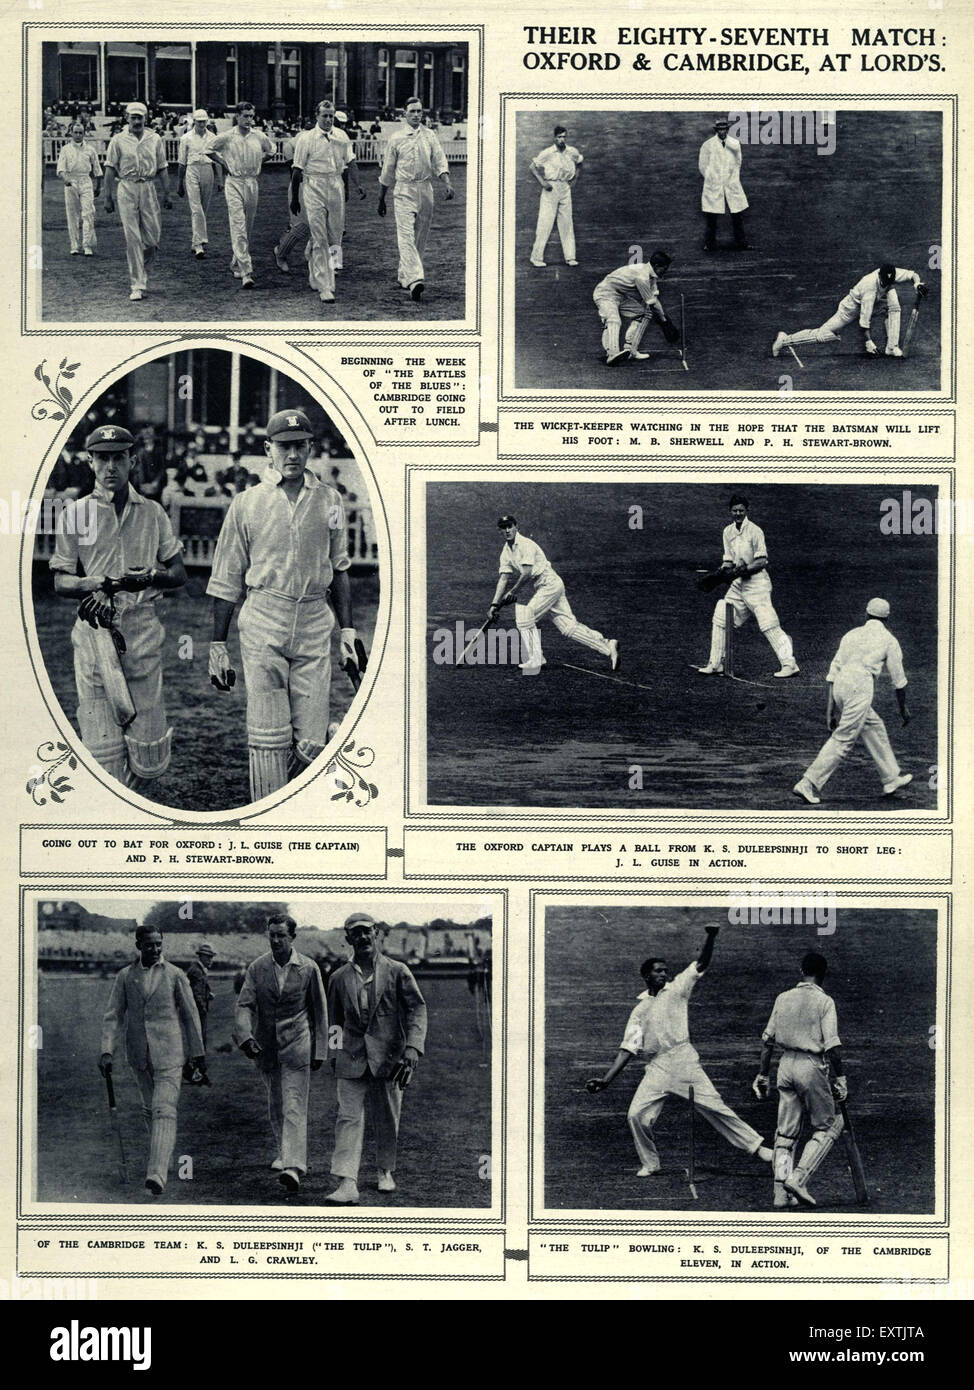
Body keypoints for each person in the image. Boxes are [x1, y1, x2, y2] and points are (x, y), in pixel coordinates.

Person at [206, 409, 362, 802]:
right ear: (268, 450)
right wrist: (216, 646)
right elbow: (226, 577)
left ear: (310, 448)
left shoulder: (330, 500)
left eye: (299, 446)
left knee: (311, 742)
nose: (292, 455)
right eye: (283, 447)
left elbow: (340, 568)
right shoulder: (247, 503)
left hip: (313, 620)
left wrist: (347, 632)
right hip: (263, 620)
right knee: (268, 739)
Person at [49, 424, 187, 794]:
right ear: (91, 462)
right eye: (103, 458)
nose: (111, 466)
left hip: (143, 632)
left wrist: (151, 577)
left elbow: (178, 573)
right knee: (102, 752)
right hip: (95, 633)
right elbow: (61, 581)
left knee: (150, 756)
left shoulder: (153, 512)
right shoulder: (75, 513)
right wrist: (91, 582)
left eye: (119, 458)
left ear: (133, 460)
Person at [586, 927, 773, 1178]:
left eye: (665, 970)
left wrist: (711, 936)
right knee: (635, 1115)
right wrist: (606, 1081)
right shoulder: (639, 1011)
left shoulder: (677, 989)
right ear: (646, 976)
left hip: (684, 1060)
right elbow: (628, 1049)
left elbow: (701, 962)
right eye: (658, 971)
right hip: (658, 1067)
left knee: (714, 1106)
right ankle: (651, 1163)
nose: (664, 974)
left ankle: (758, 1148)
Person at [325, 912, 428, 1204]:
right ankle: (347, 1182)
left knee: (387, 1117)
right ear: (348, 939)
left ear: (377, 934)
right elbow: (334, 1021)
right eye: (355, 933)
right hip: (351, 1056)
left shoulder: (398, 971)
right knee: (347, 1118)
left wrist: (413, 1048)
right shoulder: (338, 978)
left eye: (367, 931)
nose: (362, 937)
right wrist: (334, 1052)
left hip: (390, 1056)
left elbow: (417, 1010)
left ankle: (385, 1170)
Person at [98, 925, 206, 1195]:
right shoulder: (125, 976)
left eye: (159, 944)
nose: (156, 949)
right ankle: (163, 1155)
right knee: (149, 1109)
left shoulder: (175, 974)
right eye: (150, 945)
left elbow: (191, 1016)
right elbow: (113, 1015)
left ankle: (156, 1174)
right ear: (139, 946)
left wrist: (198, 1055)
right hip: (138, 1054)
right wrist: (106, 1050)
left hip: (170, 1053)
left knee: (163, 1109)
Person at [233, 914, 328, 1193]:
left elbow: (320, 1011)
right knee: (276, 1105)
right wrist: (245, 1037)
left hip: (298, 1043)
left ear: (292, 938)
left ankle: (293, 1166)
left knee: (294, 1104)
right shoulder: (257, 967)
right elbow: (244, 1005)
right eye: (271, 935)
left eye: (281, 936)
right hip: (266, 1046)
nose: (275, 940)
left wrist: (321, 1049)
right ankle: (284, 1152)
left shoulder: (309, 968)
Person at [794, 597, 912, 805]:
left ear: (866, 615)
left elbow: (833, 672)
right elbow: (899, 682)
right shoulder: (889, 640)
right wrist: (903, 710)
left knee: (874, 727)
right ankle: (808, 783)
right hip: (860, 686)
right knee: (844, 738)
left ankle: (891, 778)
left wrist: (829, 711)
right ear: (887, 619)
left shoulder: (851, 635)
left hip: (841, 685)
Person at [753, 952, 848, 1207]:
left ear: (801, 970)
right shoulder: (825, 1002)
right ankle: (798, 1178)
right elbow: (832, 1047)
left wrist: (763, 1074)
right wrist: (841, 1079)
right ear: (823, 974)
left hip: (785, 1066)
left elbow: (767, 1042)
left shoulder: (783, 998)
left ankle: (780, 1194)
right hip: (810, 1066)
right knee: (829, 1126)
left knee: (785, 1133)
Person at [487, 514, 618, 676]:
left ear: (516, 527)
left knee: (524, 617)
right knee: (568, 628)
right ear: (499, 531)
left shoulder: (526, 544)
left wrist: (513, 592)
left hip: (549, 584)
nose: (507, 530)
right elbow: (503, 578)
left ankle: (536, 658)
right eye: (503, 528)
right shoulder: (506, 552)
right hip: (546, 587)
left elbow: (527, 573)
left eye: (510, 526)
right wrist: (494, 604)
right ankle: (607, 646)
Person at [696, 493, 799, 679]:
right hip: (738, 584)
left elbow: (761, 561)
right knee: (721, 615)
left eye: (741, 511)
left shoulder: (755, 531)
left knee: (769, 624)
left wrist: (739, 572)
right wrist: (720, 573)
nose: (738, 514)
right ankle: (716, 662)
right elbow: (728, 560)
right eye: (735, 511)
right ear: (730, 512)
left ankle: (789, 664)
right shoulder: (727, 532)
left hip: (758, 585)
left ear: (747, 511)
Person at [377, 96, 454, 302]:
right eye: (412, 111)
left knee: (420, 236)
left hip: (425, 189)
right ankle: (415, 280)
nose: (416, 115)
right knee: (405, 236)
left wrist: (446, 182)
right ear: (404, 114)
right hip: (403, 190)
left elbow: (439, 160)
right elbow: (388, 170)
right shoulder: (396, 138)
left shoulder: (429, 136)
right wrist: (381, 198)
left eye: (419, 111)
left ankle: (405, 274)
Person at [290, 99, 364, 305]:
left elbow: (350, 163)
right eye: (325, 115)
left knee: (336, 233)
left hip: (335, 185)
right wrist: (295, 198)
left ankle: (329, 266)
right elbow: (297, 169)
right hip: (313, 185)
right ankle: (325, 285)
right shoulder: (307, 138)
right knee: (320, 236)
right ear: (317, 116)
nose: (329, 119)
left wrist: (355, 186)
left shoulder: (341, 137)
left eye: (331, 115)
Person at [773, 264, 929, 359]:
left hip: (877, 302)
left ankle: (891, 347)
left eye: (890, 282)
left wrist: (917, 284)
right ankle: (784, 340)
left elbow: (912, 275)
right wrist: (868, 342)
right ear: (879, 275)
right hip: (850, 308)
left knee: (893, 303)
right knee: (823, 335)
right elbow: (864, 322)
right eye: (884, 282)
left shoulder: (891, 273)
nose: (886, 284)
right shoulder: (869, 288)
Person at [103, 102, 172, 301]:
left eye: (140, 117)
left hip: (148, 188)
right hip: (126, 187)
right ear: (126, 118)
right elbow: (109, 168)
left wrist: (167, 194)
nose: (136, 121)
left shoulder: (155, 138)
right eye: (133, 117)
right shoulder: (118, 140)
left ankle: (143, 274)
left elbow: (162, 167)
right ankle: (137, 284)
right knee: (132, 238)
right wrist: (108, 197)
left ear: (146, 118)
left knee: (152, 239)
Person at [207, 101, 274, 289]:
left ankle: (237, 261)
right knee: (238, 224)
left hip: (252, 182)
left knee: (247, 226)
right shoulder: (228, 137)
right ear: (237, 116)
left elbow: (272, 150)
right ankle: (246, 271)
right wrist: (223, 163)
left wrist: (259, 162)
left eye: (251, 116)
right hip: (234, 182)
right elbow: (208, 149)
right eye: (245, 116)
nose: (249, 120)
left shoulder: (259, 136)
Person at [592, 250, 678, 365]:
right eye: (665, 268)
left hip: (619, 295)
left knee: (643, 313)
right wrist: (665, 322)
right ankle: (612, 354)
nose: (666, 271)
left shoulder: (651, 275)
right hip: (604, 293)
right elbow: (652, 303)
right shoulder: (642, 277)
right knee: (614, 319)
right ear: (657, 266)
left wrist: (665, 321)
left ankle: (631, 350)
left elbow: (654, 300)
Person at [529, 125, 583, 267]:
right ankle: (536, 257)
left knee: (566, 222)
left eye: (564, 137)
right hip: (550, 189)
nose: (562, 140)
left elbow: (579, 162)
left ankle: (570, 257)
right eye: (559, 137)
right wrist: (543, 183)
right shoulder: (547, 153)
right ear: (554, 138)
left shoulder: (572, 152)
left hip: (565, 188)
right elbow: (532, 167)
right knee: (545, 223)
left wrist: (575, 180)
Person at [699, 116, 748, 252]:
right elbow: (702, 166)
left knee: (737, 214)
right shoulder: (708, 145)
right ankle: (709, 244)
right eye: (719, 129)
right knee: (711, 216)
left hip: (731, 182)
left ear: (727, 129)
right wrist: (712, 178)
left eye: (724, 129)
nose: (722, 132)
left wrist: (732, 178)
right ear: (716, 130)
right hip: (714, 184)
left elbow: (738, 163)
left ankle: (742, 243)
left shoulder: (735, 144)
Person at [177, 108, 222, 259]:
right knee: (196, 208)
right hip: (192, 170)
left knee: (203, 208)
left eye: (204, 121)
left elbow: (218, 161)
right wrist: (179, 183)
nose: (202, 124)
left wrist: (220, 180)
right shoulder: (186, 138)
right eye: (199, 121)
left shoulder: (213, 137)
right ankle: (199, 245)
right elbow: (182, 162)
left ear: (207, 121)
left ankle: (195, 240)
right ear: (194, 121)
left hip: (207, 170)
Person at [55, 120, 102, 256]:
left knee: (88, 213)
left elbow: (97, 170)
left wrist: (98, 187)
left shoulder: (90, 149)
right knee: (72, 215)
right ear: (71, 133)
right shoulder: (65, 149)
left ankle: (87, 245)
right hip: (71, 182)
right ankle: (74, 245)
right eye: (75, 132)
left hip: (86, 181)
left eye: (80, 132)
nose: (78, 135)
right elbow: (61, 169)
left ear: (84, 133)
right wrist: (66, 179)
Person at [185, 942, 217, 1046]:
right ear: (201, 957)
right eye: (208, 957)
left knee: (199, 1037)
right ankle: (197, 1061)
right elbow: (196, 994)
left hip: (196, 1009)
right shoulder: (196, 971)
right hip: (197, 1011)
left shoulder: (198, 970)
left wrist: (208, 995)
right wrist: (202, 1009)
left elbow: (200, 989)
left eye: (211, 957)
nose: (210, 960)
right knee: (199, 1038)